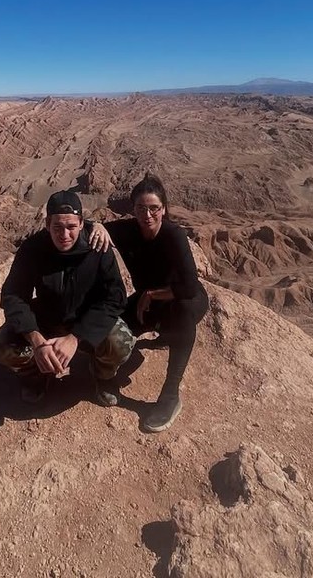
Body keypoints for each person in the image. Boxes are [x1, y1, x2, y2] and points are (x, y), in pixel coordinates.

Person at [0, 189, 135, 405]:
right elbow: (13, 295)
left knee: (121, 343)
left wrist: (75, 337)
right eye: (57, 227)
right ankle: (37, 375)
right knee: (5, 347)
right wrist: (36, 339)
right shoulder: (32, 249)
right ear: (47, 223)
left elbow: (115, 298)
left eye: (71, 227)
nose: (64, 235)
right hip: (47, 321)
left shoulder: (97, 247)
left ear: (80, 223)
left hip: (86, 322)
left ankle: (103, 376)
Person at [90, 173, 208, 432]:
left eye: (154, 208)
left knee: (181, 314)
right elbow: (85, 227)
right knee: (111, 329)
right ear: (132, 209)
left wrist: (153, 294)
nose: (148, 215)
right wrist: (96, 226)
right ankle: (106, 376)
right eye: (141, 208)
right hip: (148, 303)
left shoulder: (173, 235)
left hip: (181, 300)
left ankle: (170, 395)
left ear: (164, 209)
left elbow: (188, 288)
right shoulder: (128, 230)